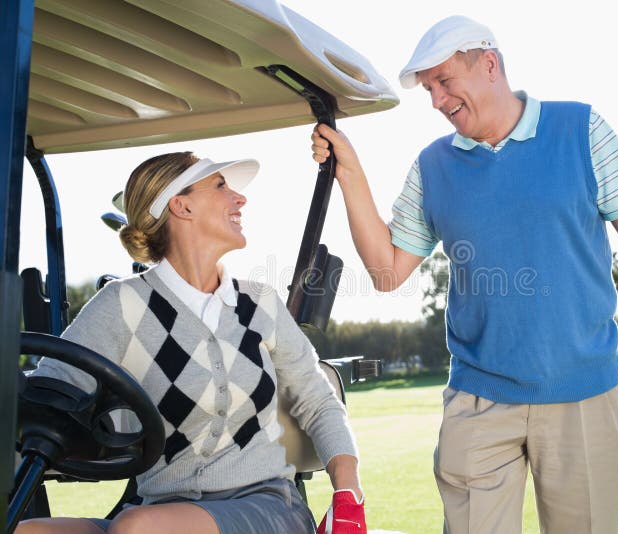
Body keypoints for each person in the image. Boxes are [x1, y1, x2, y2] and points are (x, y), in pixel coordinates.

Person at [311, 15, 618, 534]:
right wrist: (350, 173)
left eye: (444, 81)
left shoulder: (581, 130)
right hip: (478, 400)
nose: (436, 100)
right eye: (428, 89)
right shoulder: (433, 166)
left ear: (490, 64)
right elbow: (386, 272)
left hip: (583, 397)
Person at [18, 152, 366, 534]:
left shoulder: (260, 304)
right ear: (180, 206)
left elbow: (317, 401)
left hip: (265, 505)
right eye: (220, 186)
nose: (239, 199)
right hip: (158, 508)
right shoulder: (120, 305)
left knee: (139, 528)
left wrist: (348, 494)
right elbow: (51, 392)